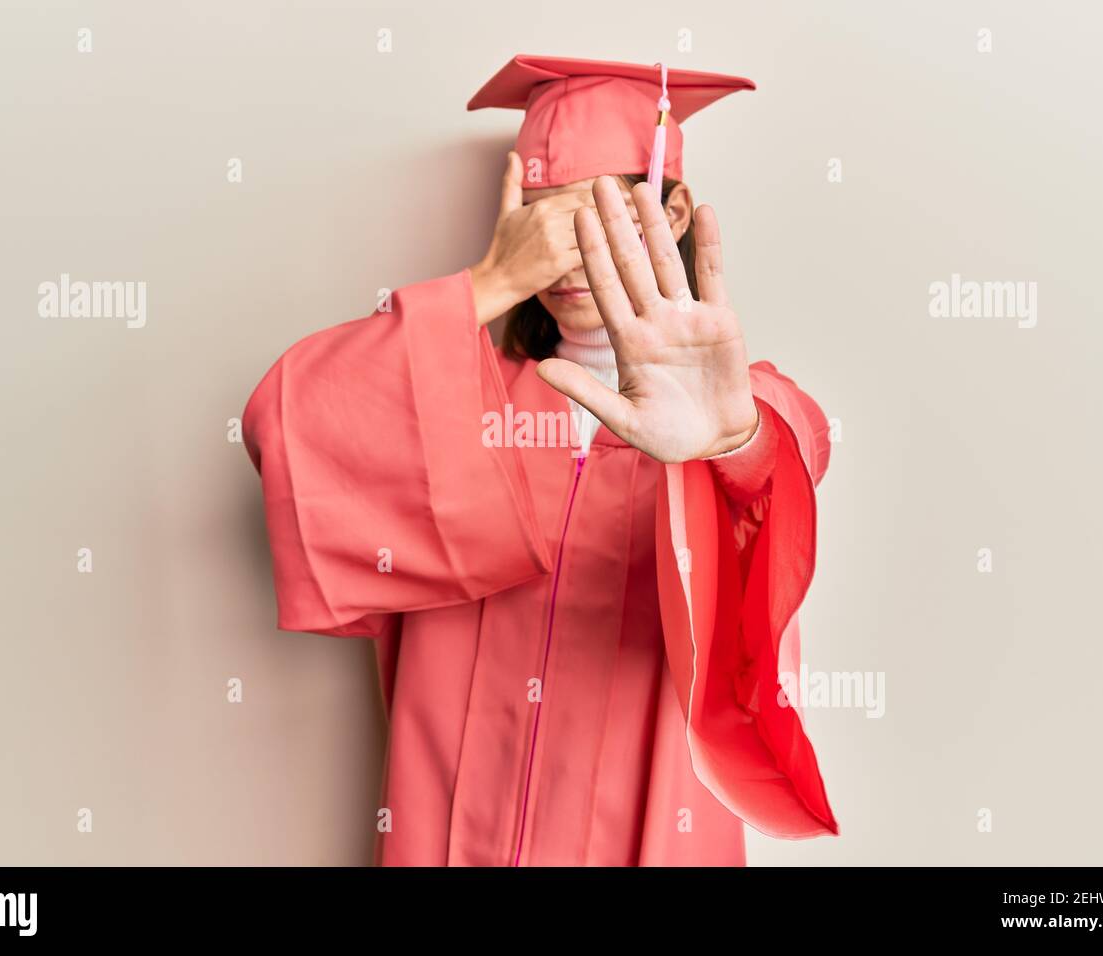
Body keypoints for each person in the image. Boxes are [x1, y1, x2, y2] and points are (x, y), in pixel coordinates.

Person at [243, 55, 838, 866]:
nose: (565, 250)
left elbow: (782, 465)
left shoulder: (740, 406)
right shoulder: (454, 404)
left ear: (673, 213)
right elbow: (291, 426)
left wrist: (730, 441)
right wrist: (488, 284)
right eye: (541, 218)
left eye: (597, 213)